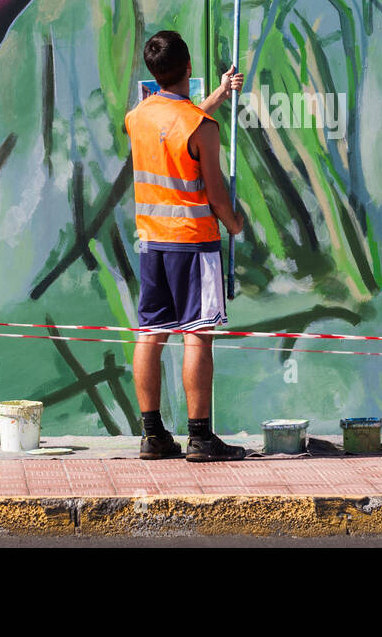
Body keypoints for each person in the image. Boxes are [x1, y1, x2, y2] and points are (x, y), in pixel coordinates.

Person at [124, 30, 247, 462]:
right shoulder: (203, 127)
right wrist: (236, 223)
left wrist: (217, 95)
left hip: (152, 243)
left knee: (151, 334)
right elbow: (215, 193)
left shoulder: (137, 116)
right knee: (197, 336)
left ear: (154, 72)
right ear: (188, 67)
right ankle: (200, 437)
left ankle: (153, 435)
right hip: (193, 244)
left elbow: (174, 128)